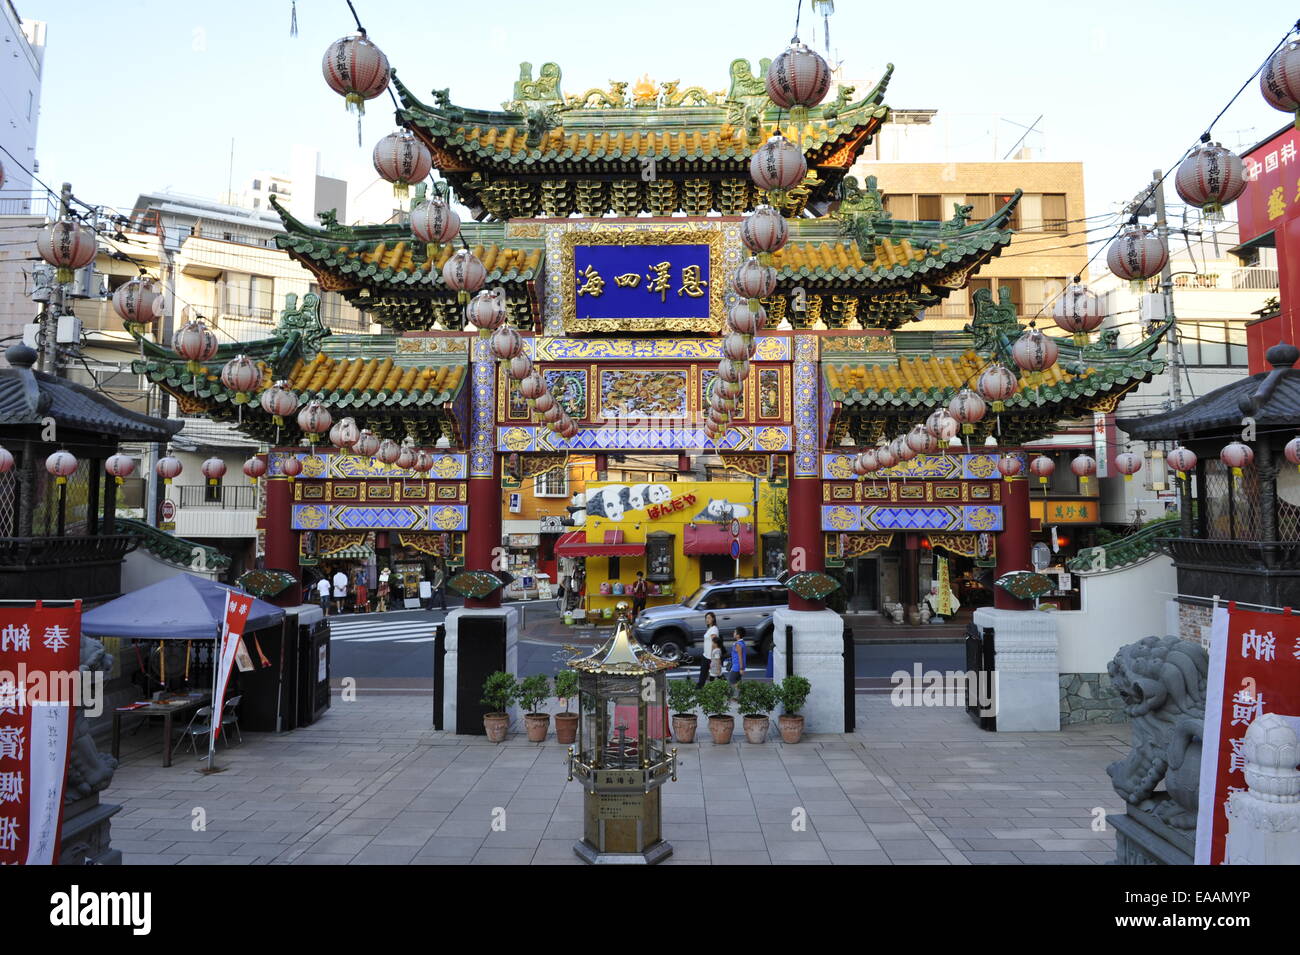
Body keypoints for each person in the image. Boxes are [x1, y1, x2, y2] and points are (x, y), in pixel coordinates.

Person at [698, 611, 719, 687]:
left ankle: (699, 690)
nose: (707, 619)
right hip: (705, 656)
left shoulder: (714, 629)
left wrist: (713, 659)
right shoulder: (710, 628)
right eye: (706, 618)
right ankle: (700, 690)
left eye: (709, 618)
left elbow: (714, 643)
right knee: (704, 676)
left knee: (711, 677)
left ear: (713, 619)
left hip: (710, 657)